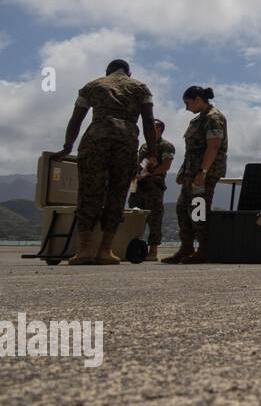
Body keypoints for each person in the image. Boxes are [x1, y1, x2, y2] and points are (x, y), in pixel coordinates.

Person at [59, 59, 158, 265]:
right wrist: (153, 151)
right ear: (129, 73)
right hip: (126, 140)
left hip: (96, 139)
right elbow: (149, 120)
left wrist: (68, 146)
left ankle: (84, 249)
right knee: (118, 192)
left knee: (89, 192)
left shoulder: (92, 85)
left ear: (107, 71)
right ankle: (106, 250)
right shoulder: (141, 88)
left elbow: (76, 119)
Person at [162, 86, 228, 265]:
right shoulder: (196, 121)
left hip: (205, 173)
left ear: (198, 99)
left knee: (198, 208)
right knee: (182, 208)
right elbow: (192, 150)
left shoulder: (214, 118)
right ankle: (187, 247)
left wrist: (203, 171)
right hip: (192, 171)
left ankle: (204, 248)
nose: (186, 108)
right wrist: (184, 171)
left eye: (188, 103)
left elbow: (213, 146)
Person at [128, 120, 175, 261]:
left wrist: (149, 173)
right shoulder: (144, 146)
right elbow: (141, 165)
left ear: (160, 129)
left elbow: (166, 166)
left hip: (153, 187)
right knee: (135, 216)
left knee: (154, 218)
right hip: (138, 186)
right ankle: (133, 248)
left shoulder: (166, 146)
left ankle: (153, 251)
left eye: (152, 127)